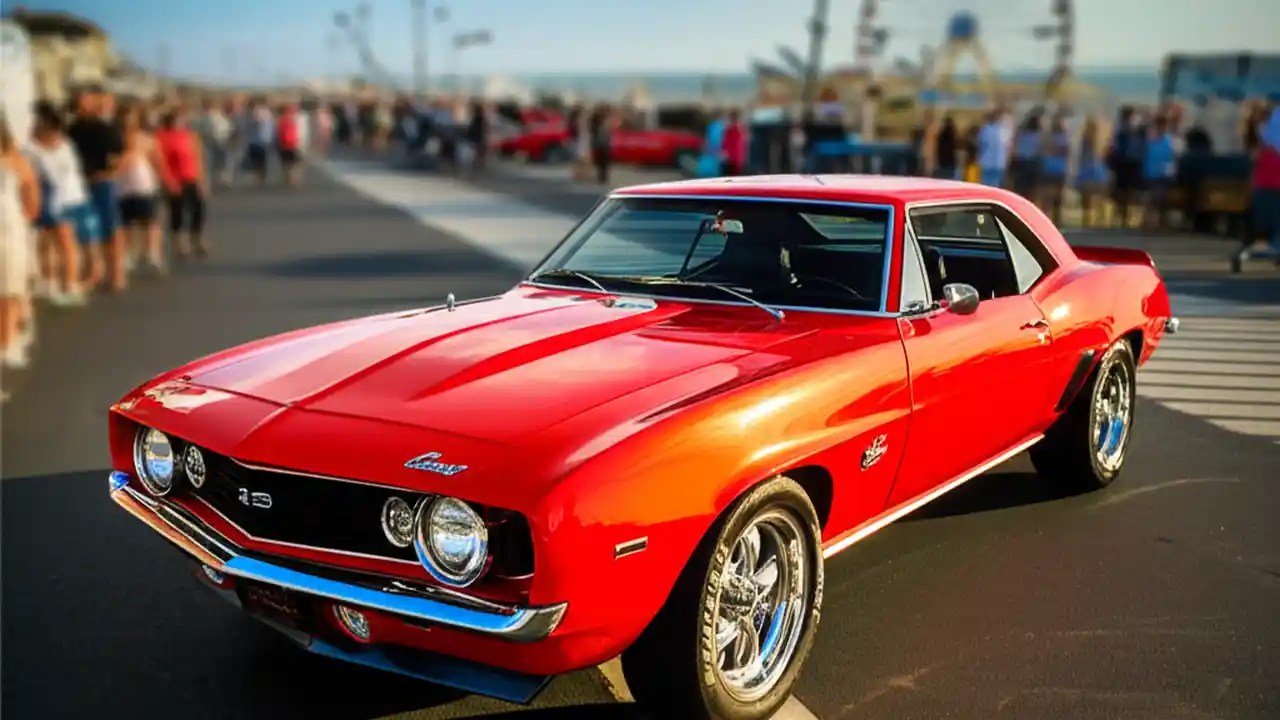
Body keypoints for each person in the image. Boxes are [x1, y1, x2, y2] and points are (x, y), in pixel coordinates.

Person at [26, 102, 92, 306]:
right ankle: (49, 282)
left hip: (67, 199)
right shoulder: (34, 149)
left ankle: (71, 285)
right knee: (45, 241)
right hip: (50, 199)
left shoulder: (63, 147)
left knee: (66, 242)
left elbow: (57, 174)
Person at [67, 86, 126, 291]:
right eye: (81, 100)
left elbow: (121, 153)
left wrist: (112, 173)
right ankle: (94, 271)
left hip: (103, 182)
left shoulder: (106, 126)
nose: (84, 103)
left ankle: (117, 273)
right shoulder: (73, 128)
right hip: (81, 184)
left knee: (111, 228)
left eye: (88, 99)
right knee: (88, 230)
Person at [1, 113, 41, 370]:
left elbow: (31, 194)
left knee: (10, 289)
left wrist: (24, 216)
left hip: (10, 230)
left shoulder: (14, 158)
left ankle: (7, 343)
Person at [116, 103, 173, 274]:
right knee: (127, 224)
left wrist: (167, 181)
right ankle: (130, 254)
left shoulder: (147, 139)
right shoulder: (116, 139)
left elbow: (159, 162)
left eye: (131, 120)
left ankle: (152, 254)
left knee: (150, 221)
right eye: (125, 120)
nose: (128, 123)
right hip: (122, 187)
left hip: (145, 186)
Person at [1231, 100, 1280, 272]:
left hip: (1262, 186)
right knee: (1271, 224)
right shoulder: (1265, 139)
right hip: (1272, 185)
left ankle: (1241, 253)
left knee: (1257, 226)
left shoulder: (1260, 140)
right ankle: (1272, 252)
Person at [155, 108, 209, 259]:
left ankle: (197, 240)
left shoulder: (191, 136)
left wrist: (202, 180)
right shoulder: (161, 137)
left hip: (192, 178)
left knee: (198, 210)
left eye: (181, 119)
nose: (180, 122)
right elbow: (161, 162)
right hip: (175, 180)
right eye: (177, 119)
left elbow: (198, 158)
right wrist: (168, 182)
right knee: (177, 212)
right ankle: (179, 244)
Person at [1107, 106, 1146, 229]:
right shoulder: (1121, 133)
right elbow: (1114, 148)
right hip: (1122, 164)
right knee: (1120, 192)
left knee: (1131, 192)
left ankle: (1128, 217)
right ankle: (1120, 217)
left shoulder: (1141, 132)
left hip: (1134, 164)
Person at [1141, 114, 1178, 230]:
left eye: (1163, 125)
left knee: (1160, 197)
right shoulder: (1151, 139)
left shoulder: (1167, 140)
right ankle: (1151, 221)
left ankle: (1158, 221)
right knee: (1153, 197)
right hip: (1152, 174)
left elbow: (1170, 157)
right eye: (1159, 125)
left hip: (1162, 175)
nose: (1161, 127)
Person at [1076, 115, 1110, 228]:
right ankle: (1091, 220)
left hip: (1094, 170)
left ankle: (1098, 220)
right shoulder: (1087, 140)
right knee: (1088, 198)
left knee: (1096, 198)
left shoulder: (1097, 140)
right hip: (1089, 170)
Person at [1038, 113, 1070, 226]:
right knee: (1056, 197)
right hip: (1057, 169)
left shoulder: (1047, 137)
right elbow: (1067, 153)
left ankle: (1048, 219)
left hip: (1050, 168)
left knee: (1049, 197)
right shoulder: (1063, 138)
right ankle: (1055, 219)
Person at [194, 97, 232, 189]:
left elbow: (227, 127)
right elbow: (197, 130)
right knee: (210, 163)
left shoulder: (217, 116)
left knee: (221, 161)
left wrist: (225, 137)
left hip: (219, 141)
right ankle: (213, 181)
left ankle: (223, 179)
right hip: (208, 142)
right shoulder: (201, 117)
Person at [1009, 111, 1043, 199]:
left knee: (1020, 185)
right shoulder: (1038, 135)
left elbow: (1015, 146)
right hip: (1032, 161)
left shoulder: (1021, 134)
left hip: (1021, 160)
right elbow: (1039, 150)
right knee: (1031, 186)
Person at [976, 109, 1011, 187]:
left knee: (985, 184)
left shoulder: (985, 129)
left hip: (987, 161)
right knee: (996, 185)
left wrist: (978, 158)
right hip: (999, 162)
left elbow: (981, 144)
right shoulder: (1003, 130)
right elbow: (1008, 146)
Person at [276, 101, 304, 187]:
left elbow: (278, 133)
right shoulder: (293, 120)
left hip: (286, 144)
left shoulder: (282, 120)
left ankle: (289, 178)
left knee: (288, 163)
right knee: (294, 163)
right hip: (292, 144)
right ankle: (293, 179)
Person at [590, 105, 614, 185]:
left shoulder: (605, 121)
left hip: (604, 144)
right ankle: (602, 176)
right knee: (601, 161)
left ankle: (603, 176)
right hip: (600, 143)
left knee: (604, 162)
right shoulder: (596, 121)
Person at [466, 99, 489, 176]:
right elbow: (485, 128)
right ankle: (478, 168)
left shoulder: (477, 118)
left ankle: (476, 168)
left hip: (476, 138)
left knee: (477, 154)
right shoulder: (481, 118)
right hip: (479, 138)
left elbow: (473, 128)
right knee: (479, 154)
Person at [933, 114, 958, 179]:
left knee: (942, 177)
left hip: (942, 160)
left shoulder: (941, 135)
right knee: (950, 177)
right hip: (950, 160)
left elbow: (938, 147)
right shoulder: (952, 135)